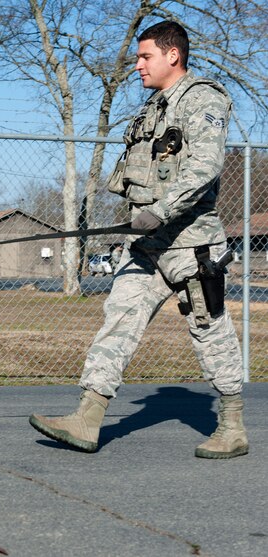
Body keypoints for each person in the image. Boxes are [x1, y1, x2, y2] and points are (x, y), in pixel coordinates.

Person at [29, 20, 248, 459]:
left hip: (190, 245)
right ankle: (88, 417)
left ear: (173, 55)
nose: (137, 66)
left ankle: (232, 426)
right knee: (119, 319)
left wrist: (161, 211)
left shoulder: (203, 99)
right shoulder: (152, 109)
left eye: (145, 56)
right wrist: (142, 217)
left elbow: (204, 168)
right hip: (147, 245)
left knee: (208, 329)